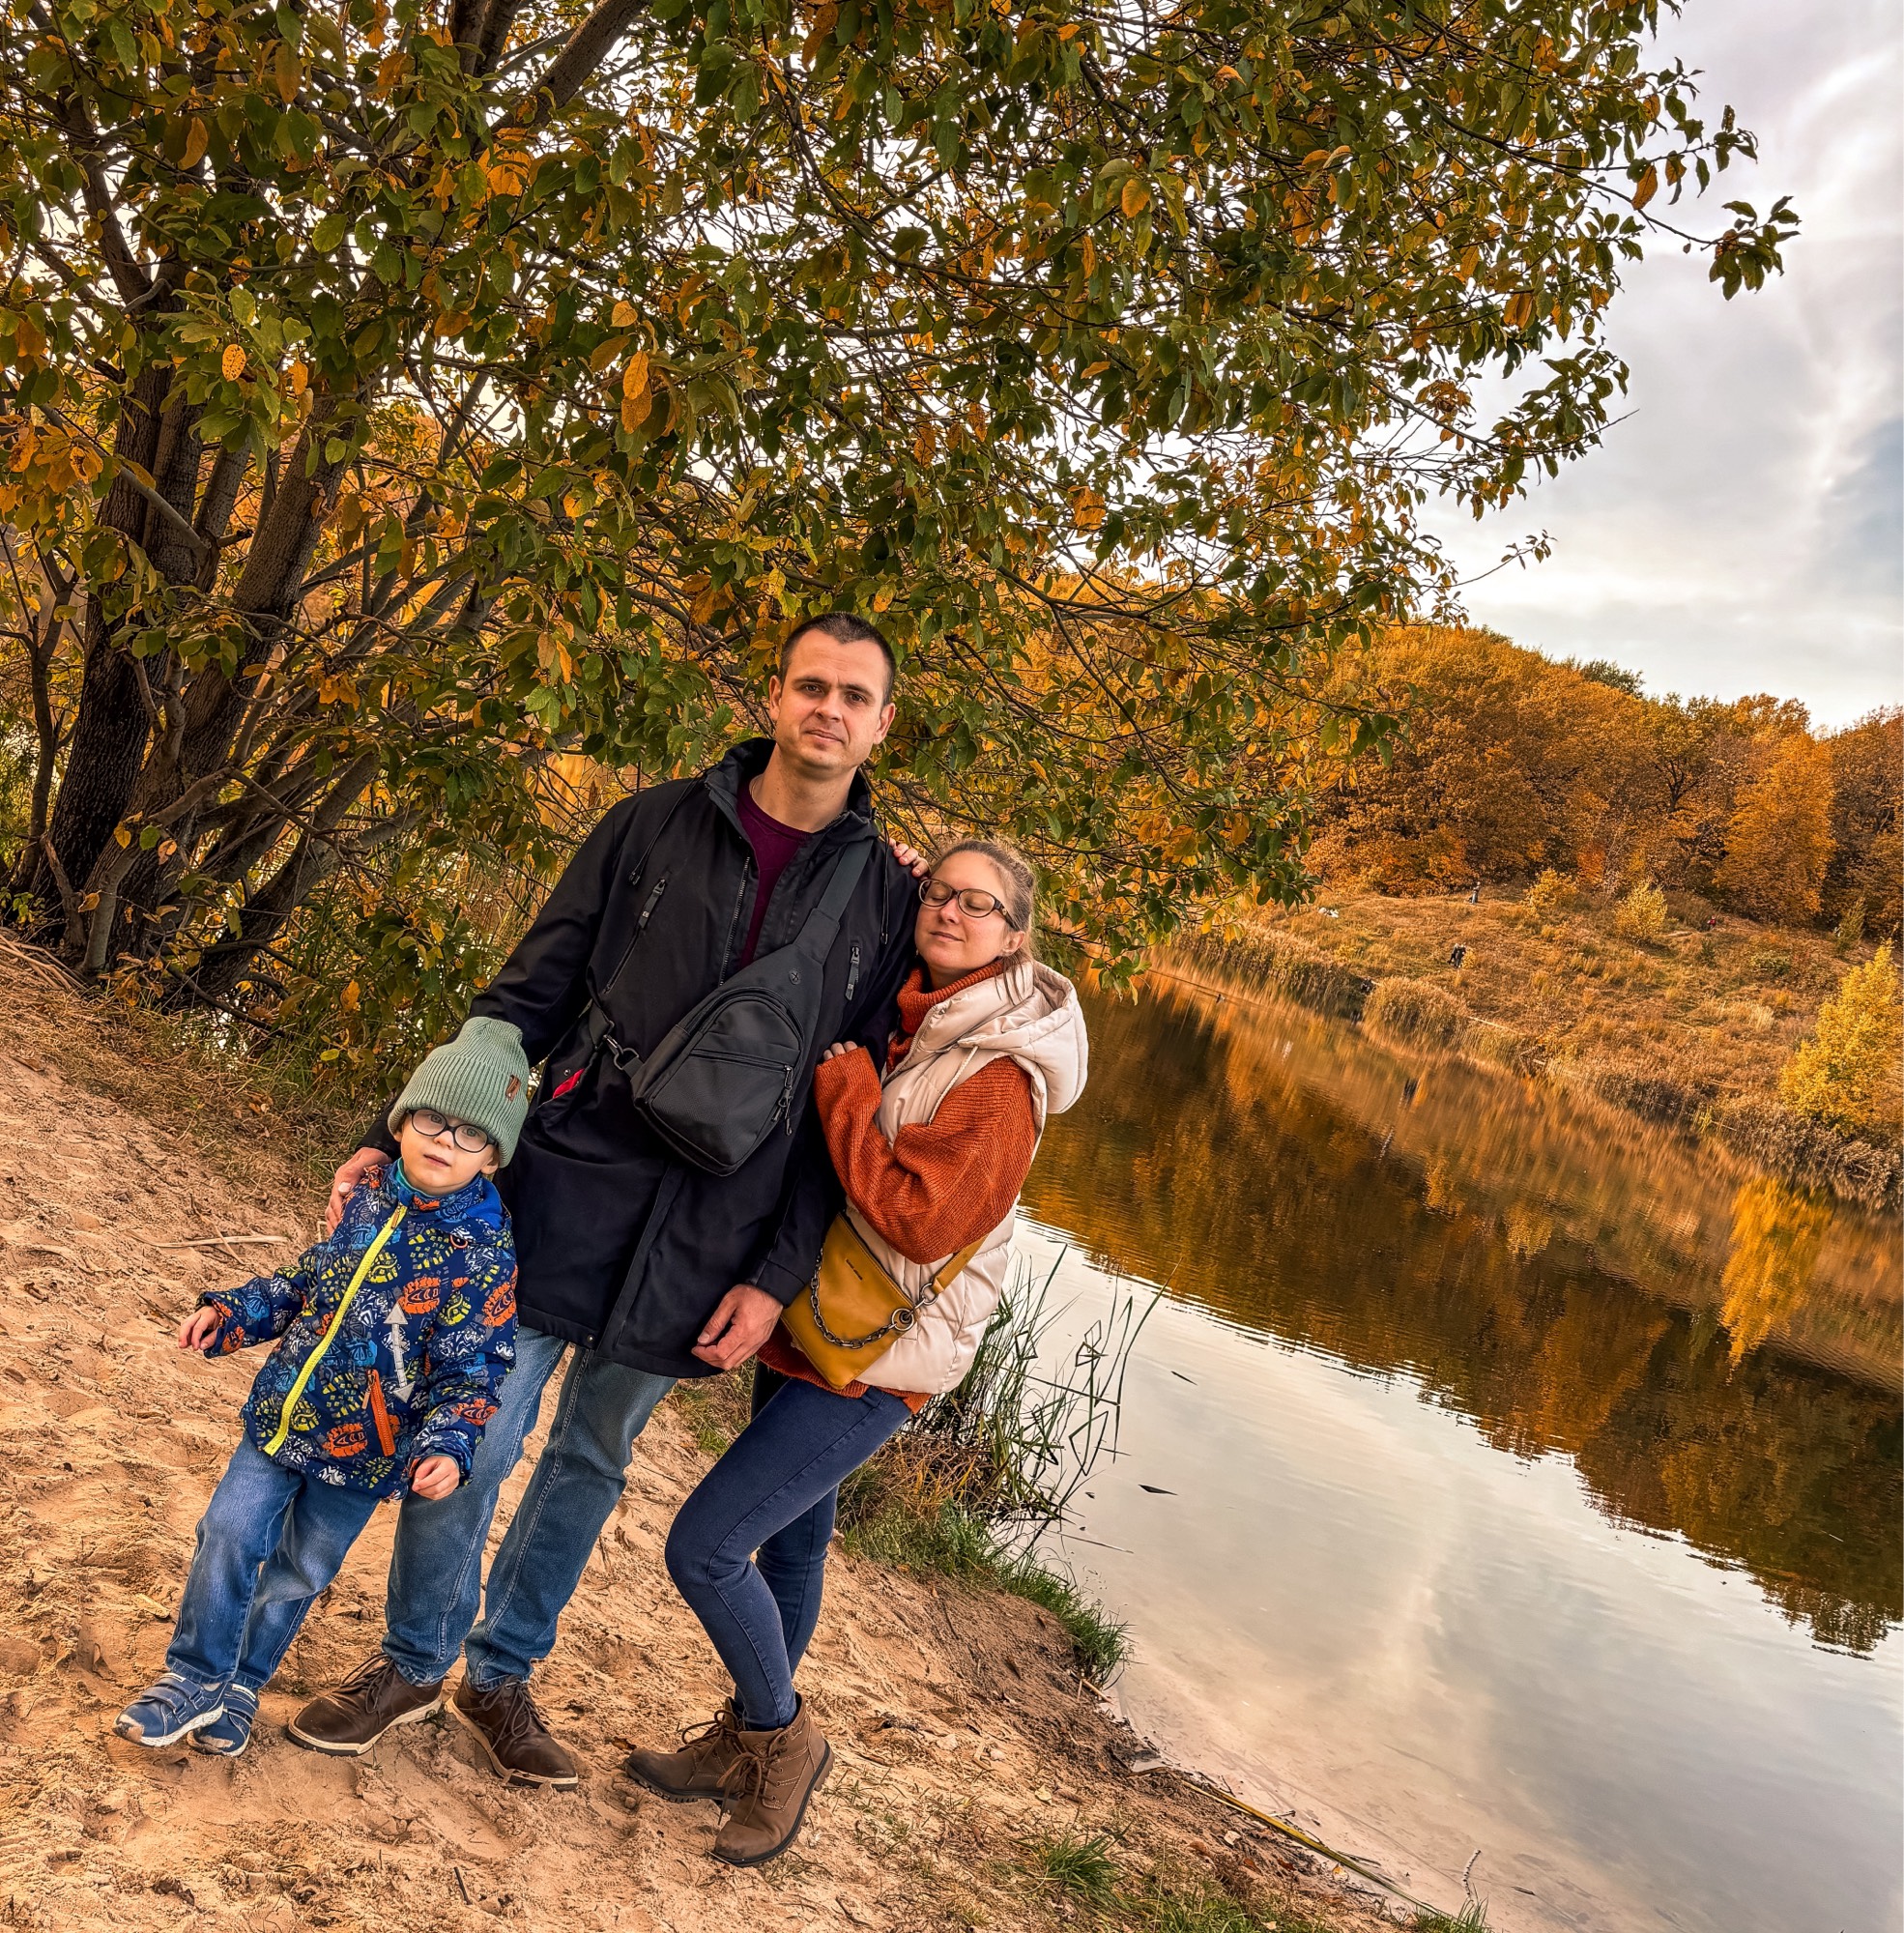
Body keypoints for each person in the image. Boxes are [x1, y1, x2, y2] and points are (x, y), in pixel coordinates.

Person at [285, 615, 924, 1784]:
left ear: (882, 723)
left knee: (589, 1461)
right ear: (772, 697)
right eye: (810, 686)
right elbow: (522, 998)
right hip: (560, 1190)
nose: (828, 710)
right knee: (470, 1437)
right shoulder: (648, 826)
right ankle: (415, 1658)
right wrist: (392, 1132)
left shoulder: (886, 899)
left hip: (706, 1241)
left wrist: (774, 1275)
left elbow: (848, 1116)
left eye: (854, 696)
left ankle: (501, 1679)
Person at [625, 837, 1088, 1865]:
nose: (950, 913)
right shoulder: (921, 1008)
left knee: (703, 1547)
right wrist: (882, 869)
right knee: (788, 1543)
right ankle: (745, 1743)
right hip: (819, 1322)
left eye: (978, 904)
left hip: (883, 1350)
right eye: (938, 894)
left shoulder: (1000, 1073)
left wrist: (844, 1094)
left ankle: (784, 1741)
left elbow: (918, 1217)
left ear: (1016, 936)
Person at [113, 1023, 527, 1758]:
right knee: (230, 1532)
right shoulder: (364, 1197)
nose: (445, 1140)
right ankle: (194, 1676)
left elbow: (476, 1371)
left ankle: (242, 1684)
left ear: (492, 1156)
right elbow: (306, 1284)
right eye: (432, 1118)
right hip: (282, 1418)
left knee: (300, 1568)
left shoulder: (484, 1255)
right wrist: (234, 1314)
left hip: (369, 1450)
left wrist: (450, 1447)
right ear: (402, 1123)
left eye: (470, 1134)